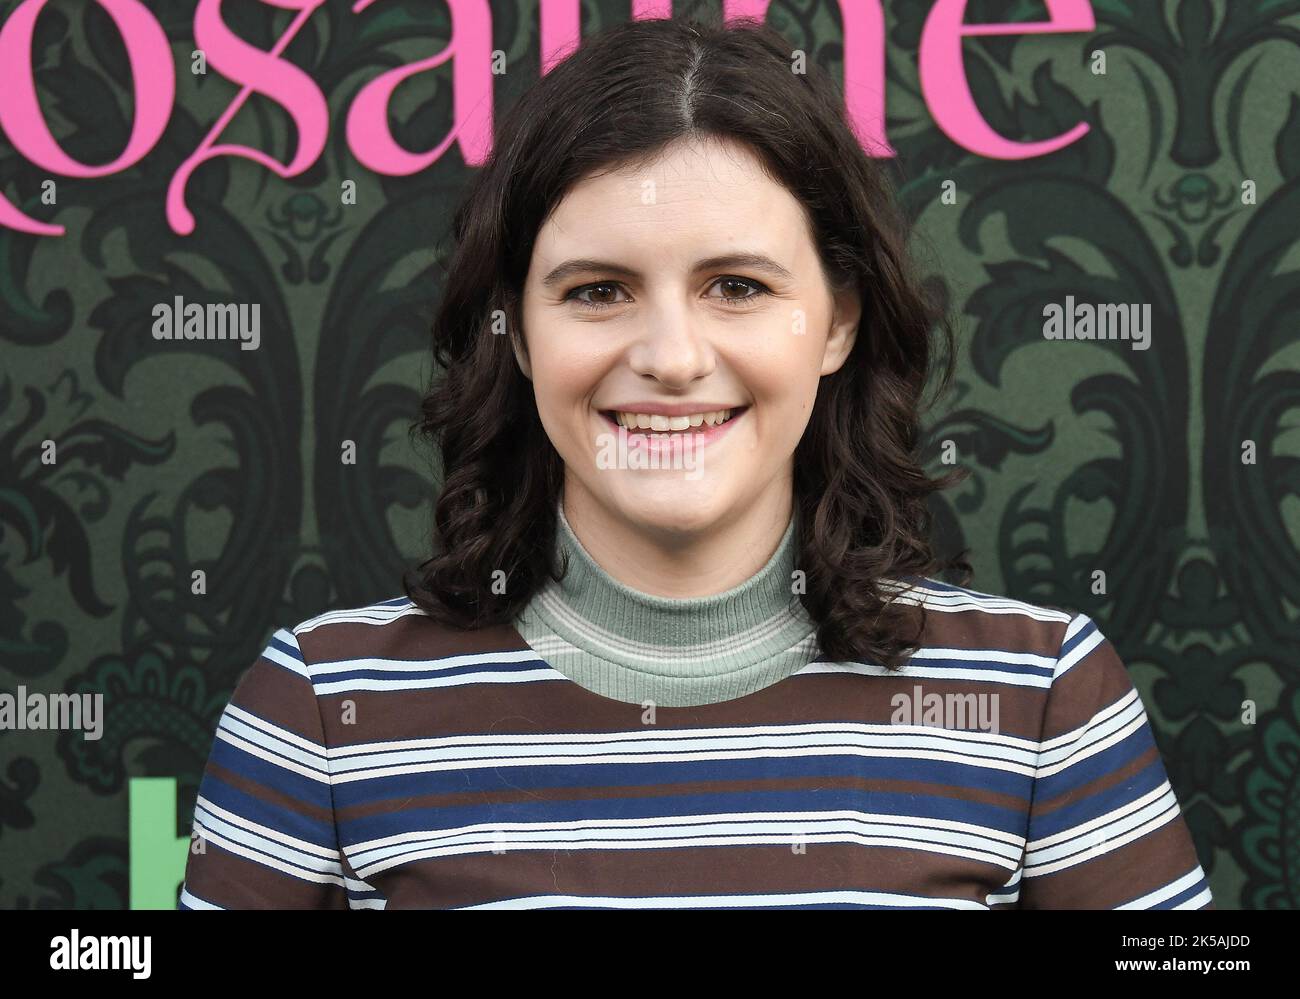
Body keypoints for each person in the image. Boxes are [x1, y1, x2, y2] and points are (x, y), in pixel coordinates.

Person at [179, 13, 1212, 910]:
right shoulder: (320, 706)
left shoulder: (1038, 697)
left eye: (738, 287)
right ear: (520, 333)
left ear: (838, 322)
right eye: (595, 291)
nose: (671, 358)